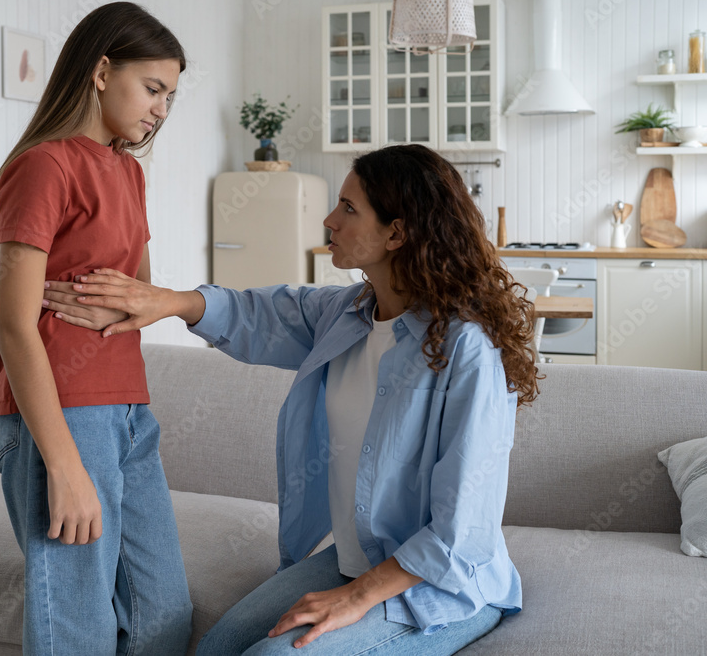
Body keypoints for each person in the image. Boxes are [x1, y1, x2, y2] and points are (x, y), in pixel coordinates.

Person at [41, 144, 541, 654]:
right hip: (360, 557)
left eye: (348, 208)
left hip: (443, 586)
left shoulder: (467, 349)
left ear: (397, 232)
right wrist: (168, 302)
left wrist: (357, 597)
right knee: (215, 648)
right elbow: (260, 314)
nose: (329, 219)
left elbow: (464, 531)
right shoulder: (347, 313)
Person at [0, 2, 192, 655]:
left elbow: (143, 290)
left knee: (164, 612)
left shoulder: (128, 173)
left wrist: (127, 303)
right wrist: (64, 464)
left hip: (128, 408)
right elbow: (15, 324)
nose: (161, 109)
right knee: (77, 623)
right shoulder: (46, 166)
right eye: (153, 89)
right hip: (63, 414)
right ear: (102, 71)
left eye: (171, 96)